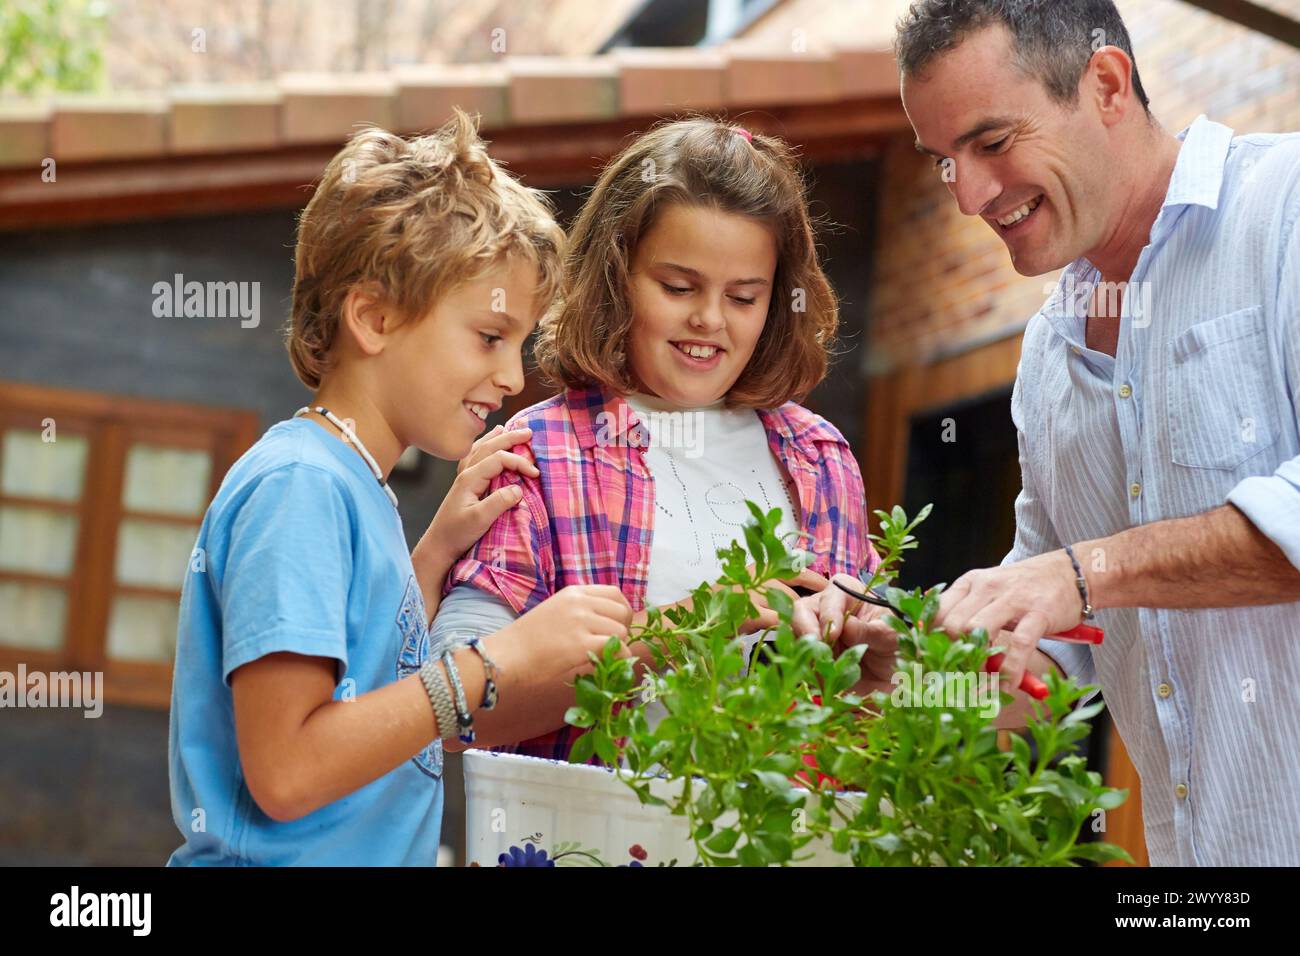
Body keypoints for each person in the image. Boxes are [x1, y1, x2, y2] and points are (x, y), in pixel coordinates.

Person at [798, 0, 1300, 866]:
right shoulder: (1047, 356)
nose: (970, 196)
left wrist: (1086, 571)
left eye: (992, 144)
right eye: (943, 159)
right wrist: (910, 677)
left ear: (1106, 83)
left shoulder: (1283, 210)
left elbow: (1073, 585)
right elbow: (1048, 670)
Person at [167, 111, 631, 865]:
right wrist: (494, 666)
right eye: (489, 336)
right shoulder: (300, 487)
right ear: (374, 318)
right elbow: (287, 770)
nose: (514, 378)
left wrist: (435, 550)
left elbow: (359, 677)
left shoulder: (348, 484)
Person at [432, 117, 880, 760]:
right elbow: (456, 717)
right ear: (615, 277)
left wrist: (882, 660)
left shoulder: (821, 458)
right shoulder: (537, 454)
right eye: (678, 287)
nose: (709, 319)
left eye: (745, 297)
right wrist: (696, 625)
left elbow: (857, 727)